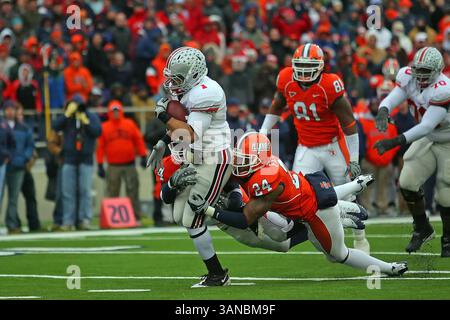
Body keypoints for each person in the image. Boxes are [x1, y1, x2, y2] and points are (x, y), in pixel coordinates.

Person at [187, 132, 407, 276]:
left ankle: (389, 268)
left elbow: (245, 219)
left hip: (315, 213)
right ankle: (353, 189)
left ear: (260, 161)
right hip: (304, 197)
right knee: (280, 234)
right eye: (240, 158)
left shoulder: (265, 180)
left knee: (337, 255)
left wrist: (209, 210)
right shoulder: (266, 165)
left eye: (247, 160)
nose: (240, 164)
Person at [260, 43, 370, 254]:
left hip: (332, 145)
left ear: (320, 66)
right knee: (302, 194)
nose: (303, 70)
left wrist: (354, 158)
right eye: (299, 65)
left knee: (347, 192)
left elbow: (349, 124)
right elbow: (276, 106)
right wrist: (263, 131)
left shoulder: (329, 85)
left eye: (308, 65)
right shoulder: (286, 79)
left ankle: (360, 236)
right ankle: (319, 234)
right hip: (306, 147)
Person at [147, 47, 232, 287]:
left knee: (192, 217)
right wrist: (164, 141)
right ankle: (218, 205)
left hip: (214, 157)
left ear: (194, 74)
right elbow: (181, 126)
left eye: (178, 77)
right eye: (171, 75)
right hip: (197, 157)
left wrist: (164, 117)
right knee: (178, 216)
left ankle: (217, 274)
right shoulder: (190, 90)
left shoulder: (207, 92)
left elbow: (191, 134)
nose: (172, 82)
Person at [374, 47, 450, 257]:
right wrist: (383, 109)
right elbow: (393, 97)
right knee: (407, 182)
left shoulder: (444, 88)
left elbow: (426, 125)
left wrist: (395, 141)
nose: (421, 75)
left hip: (447, 140)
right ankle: (423, 228)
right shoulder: (408, 76)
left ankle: (448, 238)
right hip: (427, 138)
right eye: (418, 69)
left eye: (426, 71)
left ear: (438, 70)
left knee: (445, 190)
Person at [52, 98, 101, 231]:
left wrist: (86, 121)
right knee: (68, 192)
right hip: (69, 158)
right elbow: (54, 126)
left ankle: (84, 219)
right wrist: (67, 114)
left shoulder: (91, 116)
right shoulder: (68, 118)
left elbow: (97, 131)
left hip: (86, 158)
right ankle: (68, 221)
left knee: (85, 191)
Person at [96, 100, 148, 223]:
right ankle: (112, 219)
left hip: (129, 164)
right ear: (109, 112)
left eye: (117, 111)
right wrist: (99, 164)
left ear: (121, 111)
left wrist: (143, 156)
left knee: (133, 191)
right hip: (113, 166)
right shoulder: (104, 127)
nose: (115, 114)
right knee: (112, 192)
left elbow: (138, 140)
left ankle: (136, 217)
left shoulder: (129, 124)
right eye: (113, 111)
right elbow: (100, 147)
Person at [3, 101, 34, 234]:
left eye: (12, 109)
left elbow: (30, 145)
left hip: (18, 165)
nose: (10, 112)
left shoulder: (24, 128)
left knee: (13, 197)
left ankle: (12, 223)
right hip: (3, 165)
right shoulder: (2, 126)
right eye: (7, 109)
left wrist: (24, 159)